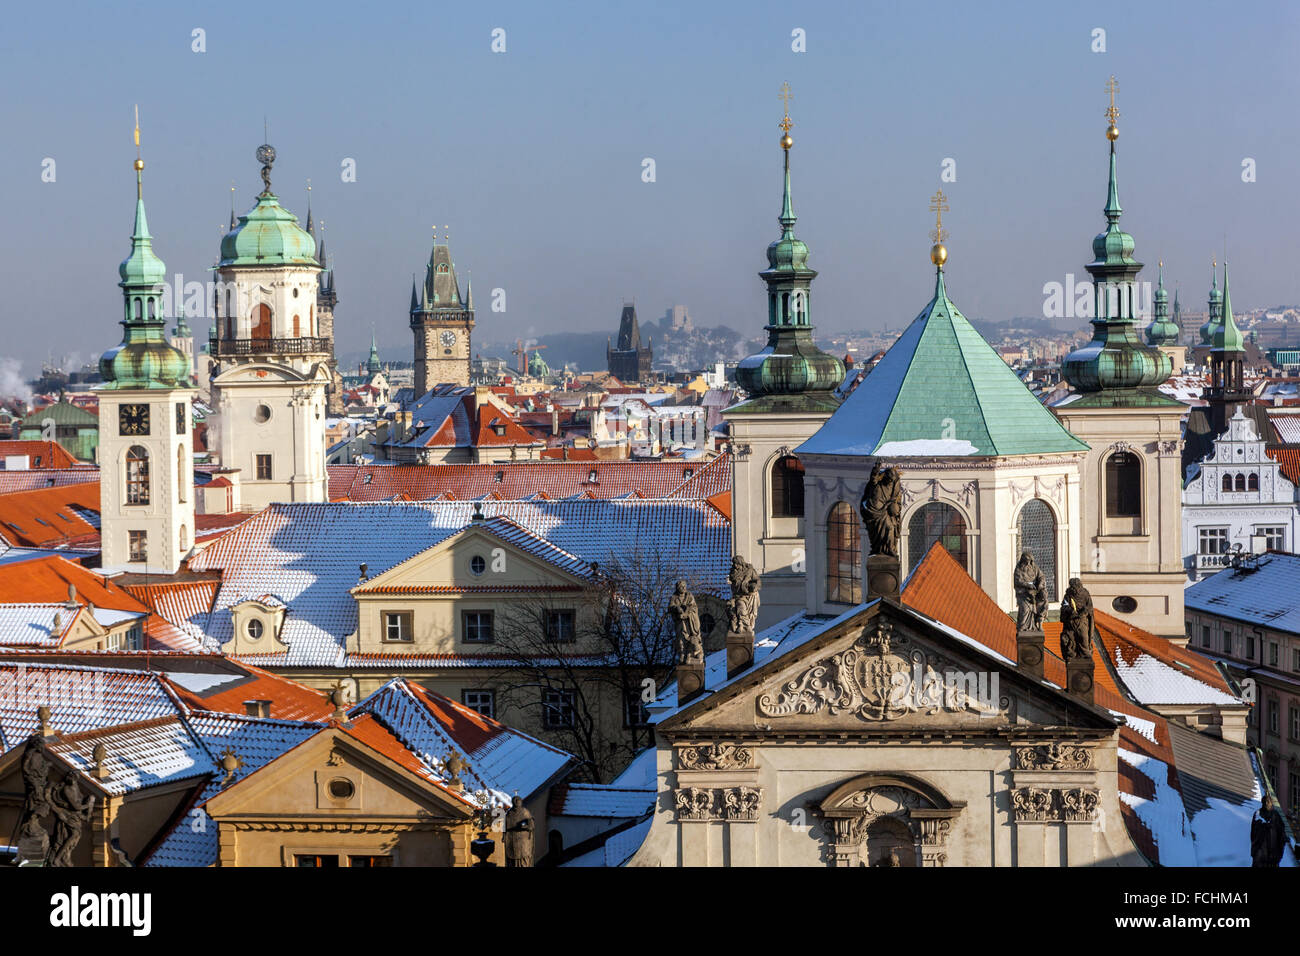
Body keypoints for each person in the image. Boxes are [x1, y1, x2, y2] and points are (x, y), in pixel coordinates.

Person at [1251, 794, 1287, 867]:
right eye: (1265, 802)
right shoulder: (1258, 813)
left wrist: (1283, 838)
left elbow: (1281, 830)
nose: (1266, 803)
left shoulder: (1275, 815)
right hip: (1260, 850)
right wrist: (1263, 826)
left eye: (1268, 801)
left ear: (1271, 803)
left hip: (1272, 851)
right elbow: (1253, 833)